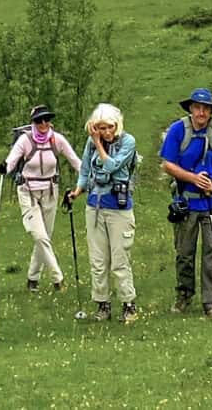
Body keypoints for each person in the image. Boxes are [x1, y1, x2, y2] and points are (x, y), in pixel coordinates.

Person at [159, 86, 212, 317]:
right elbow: (167, 164)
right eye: (197, 108)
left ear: (211, 111)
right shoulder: (177, 130)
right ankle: (184, 294)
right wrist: (193, 178)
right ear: (191, 108)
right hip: (186, 201)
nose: (201, 112)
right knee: (184, 252)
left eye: (206, 108)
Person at [2, 102, 83, 292]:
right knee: (39, 235)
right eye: (39, 120)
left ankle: (32, 279)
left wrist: (90, 177)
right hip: (27, 192)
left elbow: (76, 162)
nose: (44, 123)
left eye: (47, 119)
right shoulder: (25, 141)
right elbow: (11, 160)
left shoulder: (57, 140)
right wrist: (4, 167)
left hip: (50, 191)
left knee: (45, 236)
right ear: (33, 122)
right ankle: (58, 279)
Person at [77, 102, 142, 322]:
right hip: (95, 206)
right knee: (98, 260)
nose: (106, 132)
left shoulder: (128, 141)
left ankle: (128, 304)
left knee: (120, 259)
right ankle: (102, 304)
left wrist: (98, 144)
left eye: (110, 127)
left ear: (117, 125)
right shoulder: (91, 142)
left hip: (119, 208)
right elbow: (85, 169)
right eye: (101, 128)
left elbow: (112, 165)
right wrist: (77, 190)